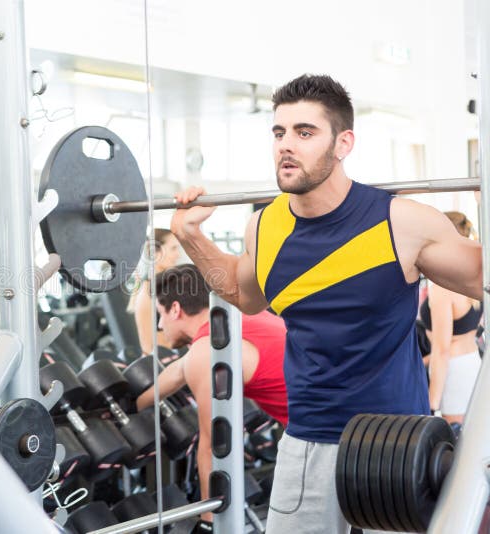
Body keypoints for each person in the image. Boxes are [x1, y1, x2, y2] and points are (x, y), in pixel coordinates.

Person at [169, 74, 482, 533]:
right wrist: (189, 235)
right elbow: (242, 295)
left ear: (343, 143)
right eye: (279, 132)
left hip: (395, 441)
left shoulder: (401, 222)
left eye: (305, 132)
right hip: (307, 438)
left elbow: (480, 278)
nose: (286, 145)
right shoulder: (266, 226)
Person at [135, 264, 288, 527]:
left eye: (160, 314)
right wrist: (134, 405)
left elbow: (213, 447)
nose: (159, 325)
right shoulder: (238, 318)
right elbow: (177, 371)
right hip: (345, 417)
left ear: (175, 309)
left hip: (325, 435)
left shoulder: (207, 352)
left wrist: (209, 522)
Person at [420, 211, 482, 425]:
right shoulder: (474, 275)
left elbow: (443, 349)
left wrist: (431, 404)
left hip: (453, 372)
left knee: (453, 440)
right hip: (472, 363)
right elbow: (465, 333)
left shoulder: (443, 287)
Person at [128, 229, 183, 355]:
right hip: (161, 362)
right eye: (173, 248)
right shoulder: (147, 293)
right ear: (155, 253)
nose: (178, 255)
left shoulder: (168, 287)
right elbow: (148, 347)